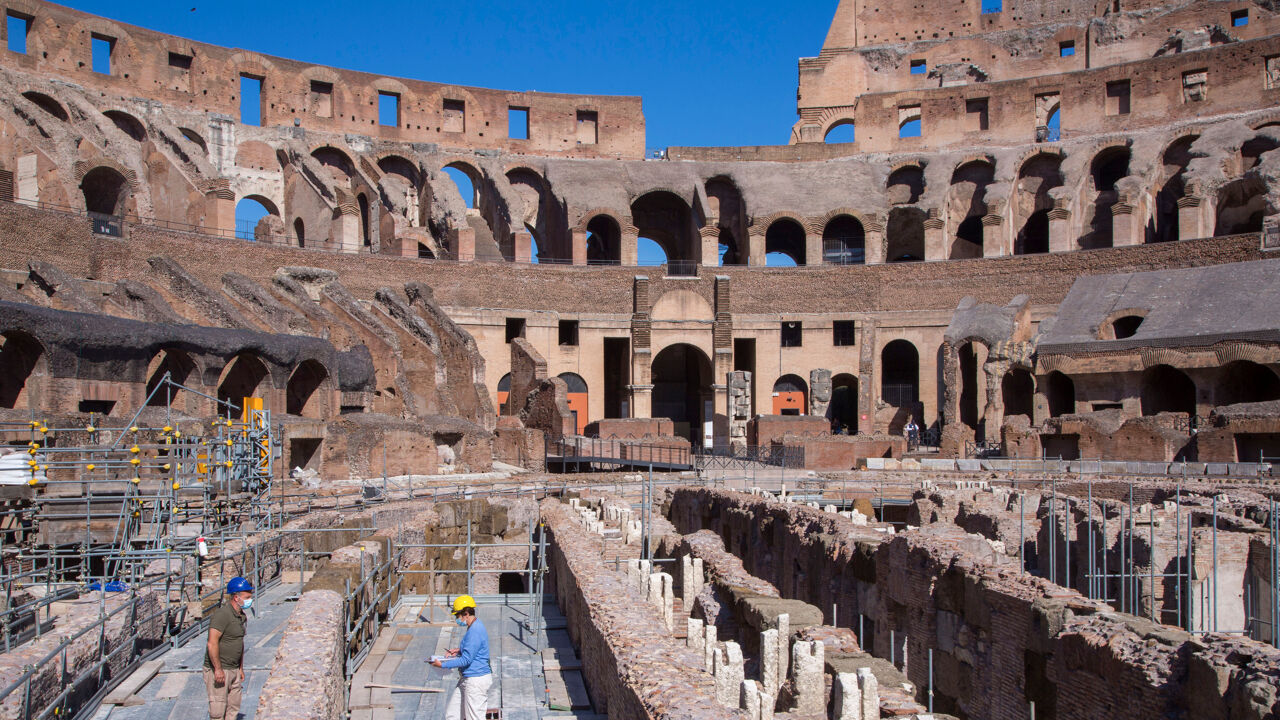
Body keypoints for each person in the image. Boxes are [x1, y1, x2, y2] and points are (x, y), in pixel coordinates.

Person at [431, 594, 492, 720]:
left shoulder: (475, 630)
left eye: (457, 615)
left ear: (465, 614)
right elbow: (473, 648)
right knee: (452, 714)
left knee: (475, 717)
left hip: (476, 680)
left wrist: (442, 664)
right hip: (467, 678)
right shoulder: (475, 626)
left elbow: (466, 660)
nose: (456, 619)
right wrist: (458, 650)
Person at [204, 576, 253, 720]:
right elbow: (212, 643)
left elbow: (239, 642)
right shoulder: (222, 615)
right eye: (247, 597)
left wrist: (240, 667)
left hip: (234, 668)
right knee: (218, 709)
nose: (250, 600)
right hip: (220, 668)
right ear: (236, 598)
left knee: (233, 706)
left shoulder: (241, 616)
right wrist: (217, 669)